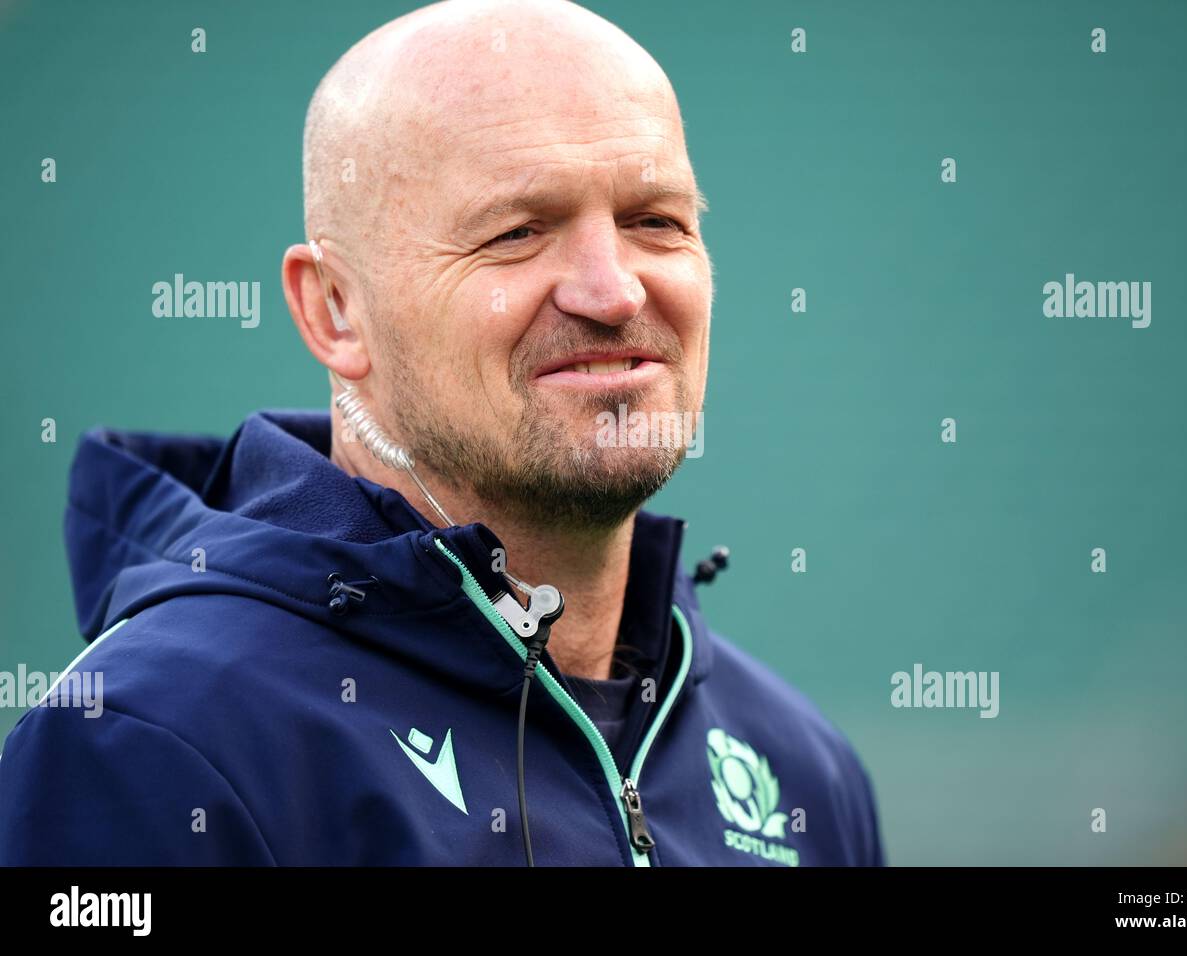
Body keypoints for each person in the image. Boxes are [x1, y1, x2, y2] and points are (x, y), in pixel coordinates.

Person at [0, 0, 883, 866]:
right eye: (516, 232)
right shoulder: (157, 744)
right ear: (336, 310)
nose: (612, 292)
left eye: (655, 221)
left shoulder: (802, 772)